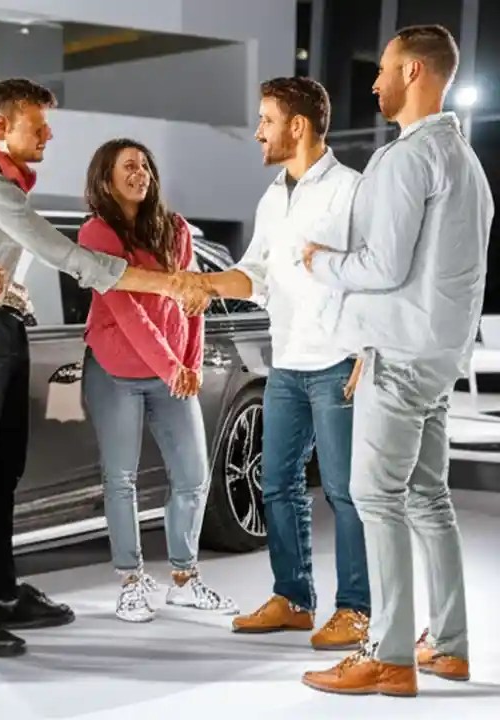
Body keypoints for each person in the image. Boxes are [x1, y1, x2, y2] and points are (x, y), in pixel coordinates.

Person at [0, 77, 213, 657]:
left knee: (3, 471)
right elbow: (67, 257)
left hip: (5, 329)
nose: (48, 133)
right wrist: (169, 282)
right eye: (37, 125)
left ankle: (4, 595)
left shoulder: (9, 186)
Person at [296, 25, 493, 696]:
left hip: (401, 355)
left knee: (378, 499)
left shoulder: (410, 158)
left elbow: (382, 267)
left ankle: (387, 657)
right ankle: (449, 644)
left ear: (414, 72)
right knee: (428, 498)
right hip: (437, 355)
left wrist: (323, 262)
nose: (374, 81)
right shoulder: (466, 162)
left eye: (383, 69)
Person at [195, 77, 371, 650]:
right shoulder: (273, 197)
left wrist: (369, 349)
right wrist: (198, 283)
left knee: (344, 492)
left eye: (266, 120)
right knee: (276, 484)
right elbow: (257, 274)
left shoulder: (351, 190)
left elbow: (378, 273)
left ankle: (358, 609)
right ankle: (294, 599)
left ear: (297, 125)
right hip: (287, 361)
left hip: (339, 361)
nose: (257, 132)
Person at [78, 138, 238, 623]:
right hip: (114, 371)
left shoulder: (175, 229)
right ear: (106, 177)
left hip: (171, 370)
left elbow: (193, 300)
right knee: (120, 478)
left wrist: (188, 363)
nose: (141, 172)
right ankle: (130, 581)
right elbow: (126, 313)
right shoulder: (96, 233)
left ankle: (185, 580)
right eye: (129, 165)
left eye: (145, 164)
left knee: (193, 476)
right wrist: (173, 366)